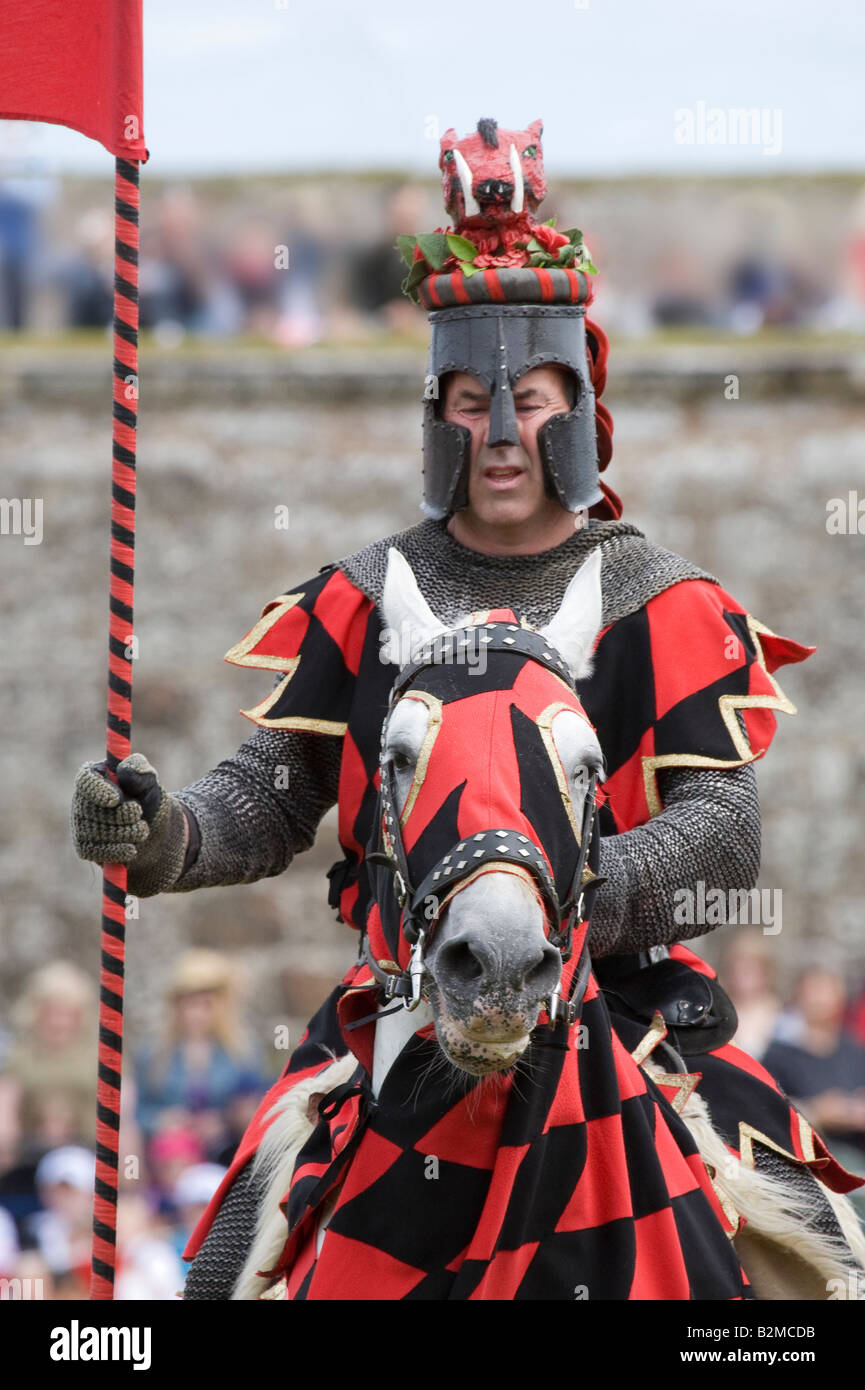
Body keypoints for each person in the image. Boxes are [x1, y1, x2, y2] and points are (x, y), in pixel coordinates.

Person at [71, 118, 853, 1297]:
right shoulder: (366, 594)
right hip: (399, 1014)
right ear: (436, 413)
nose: (501, 431)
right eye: (469, 397)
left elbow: (723, 828)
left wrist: (580, 887)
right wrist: (162, 835)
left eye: (534, 398)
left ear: (580, 407)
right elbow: (275, 793)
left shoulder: (662, 602)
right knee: (225, 1261)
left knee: (826, 1264)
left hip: (616, 1011)